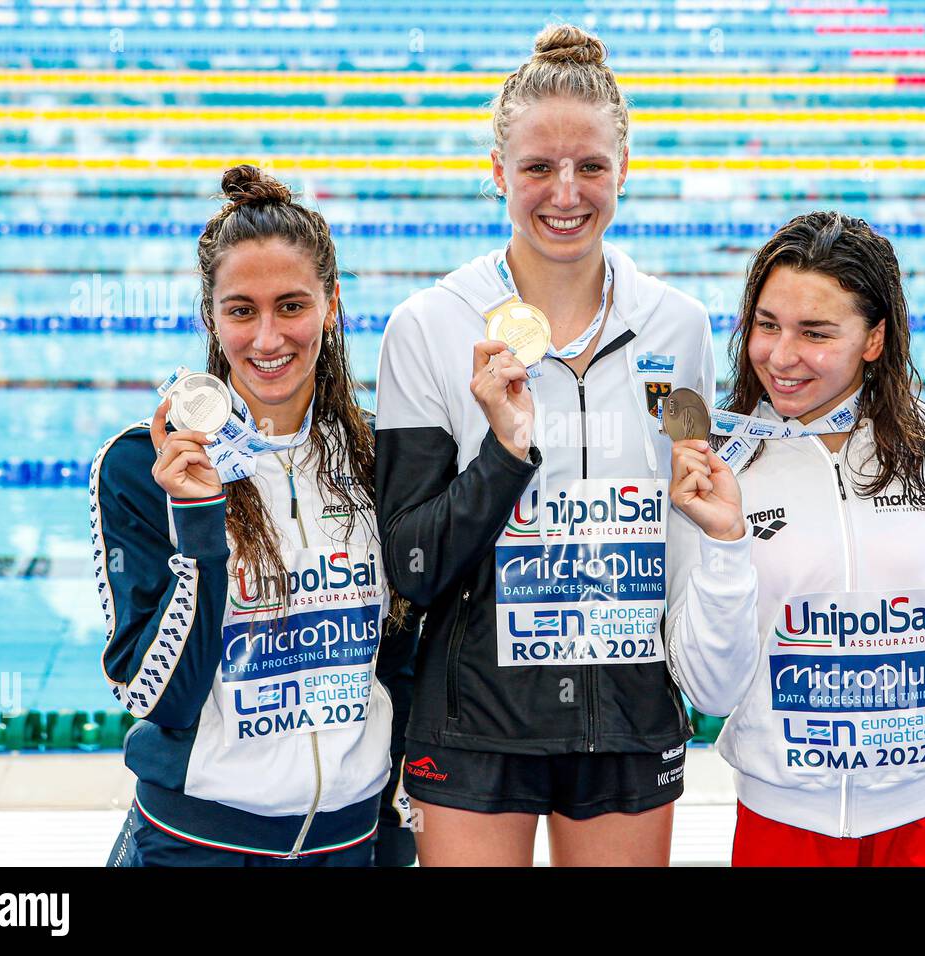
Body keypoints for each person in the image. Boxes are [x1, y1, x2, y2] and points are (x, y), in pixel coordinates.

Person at [374, 25, 716, 866]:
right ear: (498, 174)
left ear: (623, 170)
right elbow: (411, 562)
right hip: (473, 716)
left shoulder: (679, 326)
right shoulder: (430, 326)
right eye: (538, 167)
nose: (566, 192)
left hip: (629, 712)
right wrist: (503, 451)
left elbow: (692, 525)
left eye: (590, 166)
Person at [665, 211, 925, 867]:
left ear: (874, 338)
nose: (780, 355)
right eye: (767, 325)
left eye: (816, 333)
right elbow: (711, 693)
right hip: (783, 826)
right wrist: (724, 542)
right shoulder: (722, 471)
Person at [90, 165, 417, 866]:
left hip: (349, 840)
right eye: (241, 310)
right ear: (211, 317)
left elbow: (402, 659)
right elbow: (153, 695)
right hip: (198, 843)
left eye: (291, 306)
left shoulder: (376, 459)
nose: (268, 339)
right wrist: (202, 533)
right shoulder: (138, 468)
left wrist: (393, 828)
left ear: (332, 304)